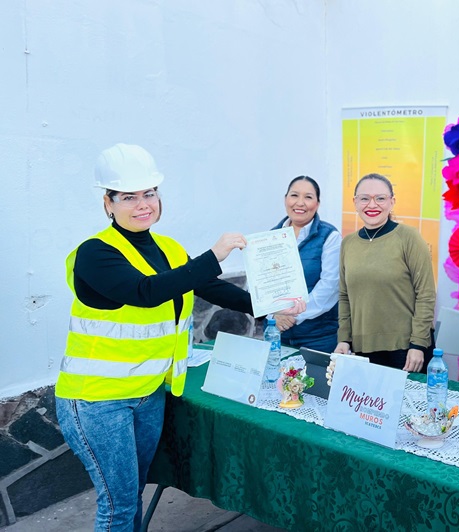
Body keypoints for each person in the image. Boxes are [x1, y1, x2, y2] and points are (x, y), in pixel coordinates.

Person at [55, 143, 304, 532]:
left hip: (148, 393)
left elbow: (211, 288)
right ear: (108, 203)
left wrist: (271, 305)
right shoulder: (95, 254)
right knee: (118, 505)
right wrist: (215, 253)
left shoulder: (169, 249)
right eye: (128, 197)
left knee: (132, 494)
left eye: (150, 194)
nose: (143, 204)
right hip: (97, 400)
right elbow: (146, 292)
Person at [333, 173, 436, 372]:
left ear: (392, 201)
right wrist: (344, 339)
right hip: (361, 351)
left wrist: (418, 345)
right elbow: (344, 296)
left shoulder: (409, 237)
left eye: (380, 198)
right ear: (355, 202)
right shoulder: (348, 243)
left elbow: (426, 295)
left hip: (406, 351)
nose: (372, 205)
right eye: (364, 198)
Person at [270, 176, 340, 353]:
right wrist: (274, 315)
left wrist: (291, 316)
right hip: (277, 334)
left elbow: (329, 287)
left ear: (317, 203)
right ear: (286, 199)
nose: (300, 203)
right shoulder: (270, 237)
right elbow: (262, 286)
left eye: (308, 197)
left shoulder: (330, 237)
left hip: (318, 338)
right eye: (294, 195)